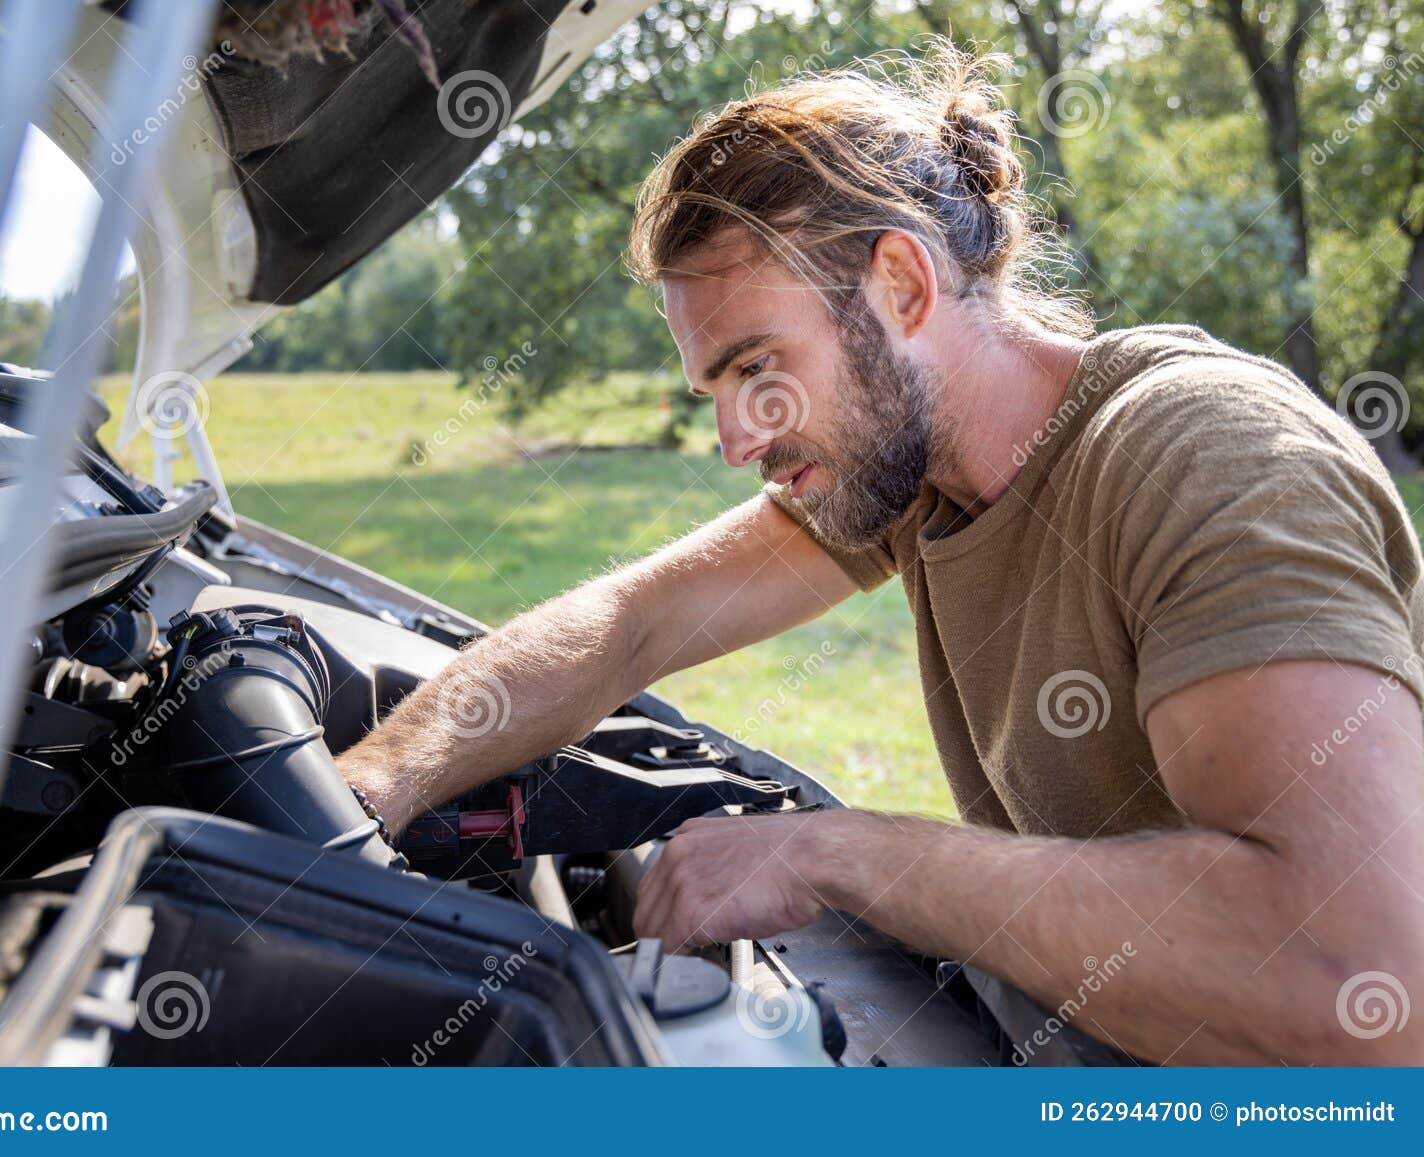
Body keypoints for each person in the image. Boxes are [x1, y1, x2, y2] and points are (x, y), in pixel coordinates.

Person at [336, 42, 1424, 1065]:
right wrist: (365, 791)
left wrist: (831, 849)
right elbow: (633, 625)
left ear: (900, 286)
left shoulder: (1202, 457)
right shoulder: (911, 478)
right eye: (715, 390)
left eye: (758, 366)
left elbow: (1359, 980)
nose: (735, 442)